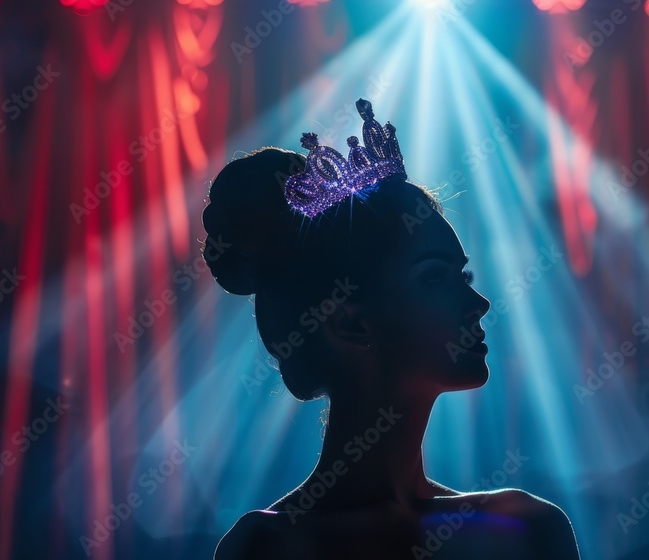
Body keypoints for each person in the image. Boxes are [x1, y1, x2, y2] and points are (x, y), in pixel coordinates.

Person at [201, 100, 579, 559]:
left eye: (463, 277)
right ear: (350, 321)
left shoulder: (530, 528)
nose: (478, 305)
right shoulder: (267, 547)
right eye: (434, 277)